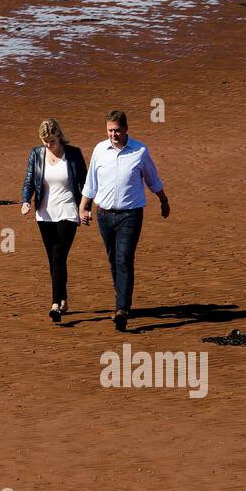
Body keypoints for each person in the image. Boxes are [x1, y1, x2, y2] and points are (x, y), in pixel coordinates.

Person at [78, 110, 169, 332]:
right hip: (104, 215)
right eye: (110, 130)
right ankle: (122, 299)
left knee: (124, 258)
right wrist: (83, 207)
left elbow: (152, 179)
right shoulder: (100, 150)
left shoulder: (139, 151)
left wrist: (163, 200)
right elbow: (91, 182)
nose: (113, 134)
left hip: (131, 214)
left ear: (126, 128)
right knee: (113, 259)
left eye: (117, 130)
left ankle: (122, 310)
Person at [20, 118, 88, 323]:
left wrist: (86, 208)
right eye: (45, 141)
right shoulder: (37, 154)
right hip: (44, 214)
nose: (48, 145)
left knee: (58, 255)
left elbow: (85, 184)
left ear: (59, 136)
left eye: (51, 140)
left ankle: (55, 304)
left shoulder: (73, 154)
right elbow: (29, 180)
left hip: (68, 212)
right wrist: (25, 201)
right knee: (54, 259)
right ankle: (64, 298)